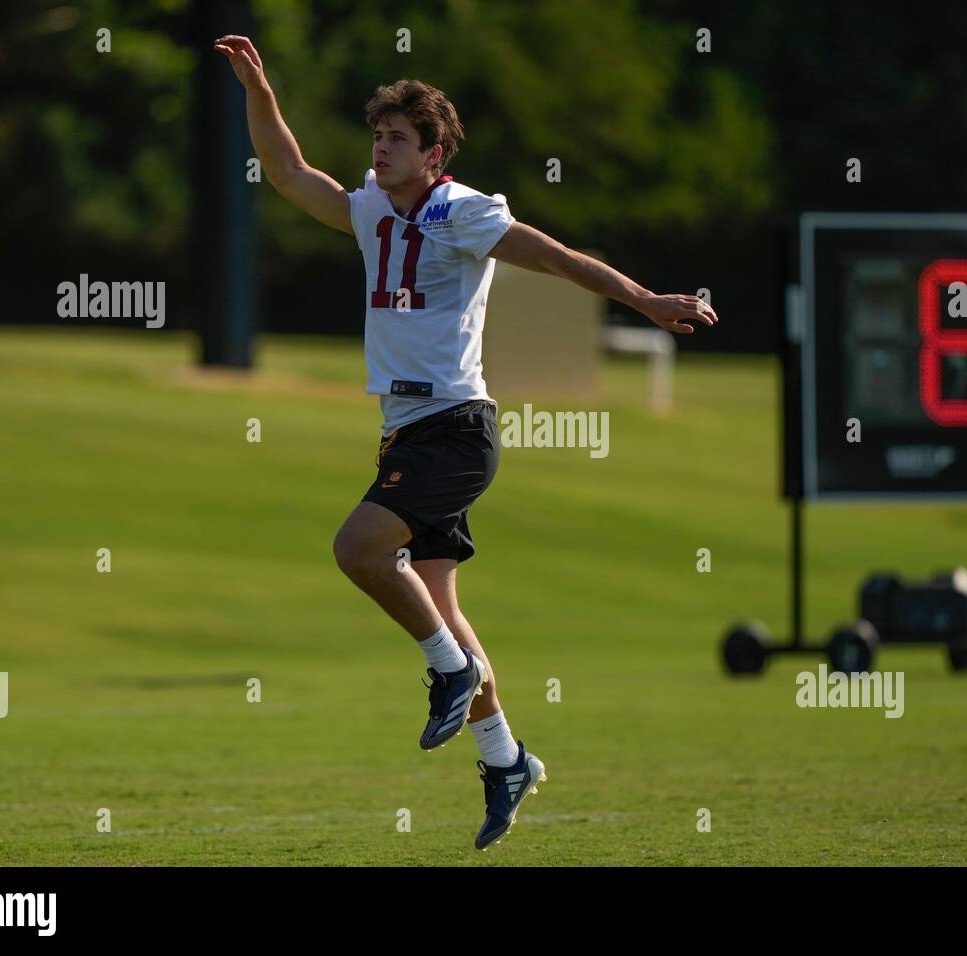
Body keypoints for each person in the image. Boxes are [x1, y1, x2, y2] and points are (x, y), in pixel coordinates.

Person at [214, 36, 719, 850]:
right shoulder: (373, 207)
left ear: (434, 152)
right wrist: (258, 88)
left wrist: (647, 300)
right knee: (443, 608)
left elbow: (555, 259)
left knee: (358, 550)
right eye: (376, 136)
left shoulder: (465, 210)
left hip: (456, 429)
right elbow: (286, 173)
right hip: (404, 432)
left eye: (396, 139)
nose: (379, 150)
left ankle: (448, 673)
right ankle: (505, 756)